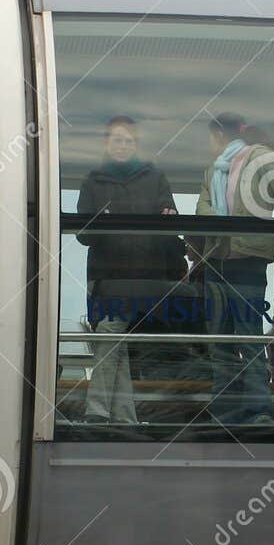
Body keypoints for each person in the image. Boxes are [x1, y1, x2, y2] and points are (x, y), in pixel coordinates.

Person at [75, 116, 180, 425]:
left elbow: (171, 221)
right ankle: (109, 414)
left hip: (146, 279)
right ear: (107, 144)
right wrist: (100, 223)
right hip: (109, 278)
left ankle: (114, 415)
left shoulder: (155, 178)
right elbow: (83, 234)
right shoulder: (92, 182)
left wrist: (168, 215)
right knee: (112, 337)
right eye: (117, 140)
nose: (122, 146)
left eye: (128, 141)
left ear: (136, 145)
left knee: (118, 345)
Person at [193, 113, 274, 425]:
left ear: (219, 135)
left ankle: (259, 410)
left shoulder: (261, 158)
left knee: (248, 337)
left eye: (210, 137)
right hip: (217, 261)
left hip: (249, 260)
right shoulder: (211, 170)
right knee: (220, 340)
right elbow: (203, 208)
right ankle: (226, 410)